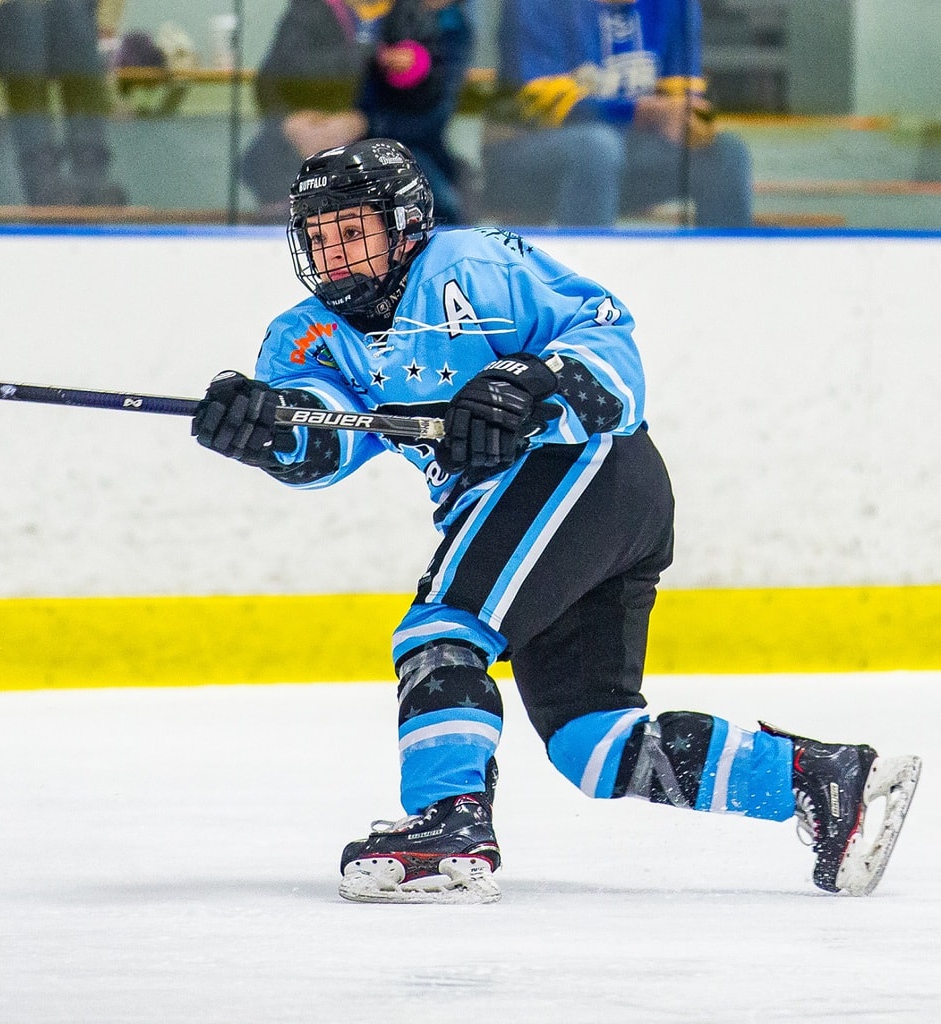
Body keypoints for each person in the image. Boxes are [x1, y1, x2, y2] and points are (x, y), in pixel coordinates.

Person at [191, 138, 920, 903]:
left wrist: (527, 383)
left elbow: (610, 342)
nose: (334, 256)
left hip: (586, 469)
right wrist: (262, 434)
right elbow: (321, 444)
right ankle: (828, 780)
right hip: (540, 506)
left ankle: (449, 821)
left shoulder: (473, 267)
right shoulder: (302, 336)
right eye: (318, 237)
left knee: (442, 630)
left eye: (352, 232)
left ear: (404, 224)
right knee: (591, 740)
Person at [481, 0, 753, 227]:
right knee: (596, 148)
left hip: (625, 155)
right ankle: (584, 282)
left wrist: (694, 119)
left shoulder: (677, 4)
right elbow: (538, 102)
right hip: (522, 156)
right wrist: (642, 111)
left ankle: (726, 283)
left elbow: (682, 96)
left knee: (725, 153)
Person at [0, 0, 127, 206]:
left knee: (71, 9)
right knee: (28, 15)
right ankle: (42, 180)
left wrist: (105, 25)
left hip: (61, 19)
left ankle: (92, 178)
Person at [242, 0, 374, 218]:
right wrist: (290, 122)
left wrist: (364, 120)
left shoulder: (399, 12)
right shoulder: (309, 9)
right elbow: (269, 80)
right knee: (264, 162)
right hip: (303, 132)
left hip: (371, 133)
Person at [359, 0, 476, 225]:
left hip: (407, 143)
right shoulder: (389, 16)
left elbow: (436, 116)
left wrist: (369, 124)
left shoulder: (454, 28)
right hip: (368, 139)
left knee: (447, 204)